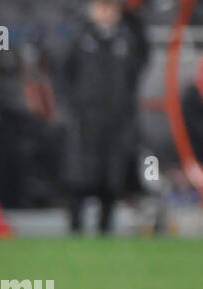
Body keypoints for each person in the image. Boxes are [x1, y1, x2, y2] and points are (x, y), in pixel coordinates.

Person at [61, 0, 148, 235]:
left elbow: (140, 64)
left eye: (111, 8)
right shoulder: (79, 37)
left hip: (116, 119)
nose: (106, 13)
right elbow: (63, 72)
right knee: (80, 175)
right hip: (85, 119)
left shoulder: (128, 38)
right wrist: (72, 106)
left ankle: (105, 227)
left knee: (111, 175)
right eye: (102, 7)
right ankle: (75, 227)